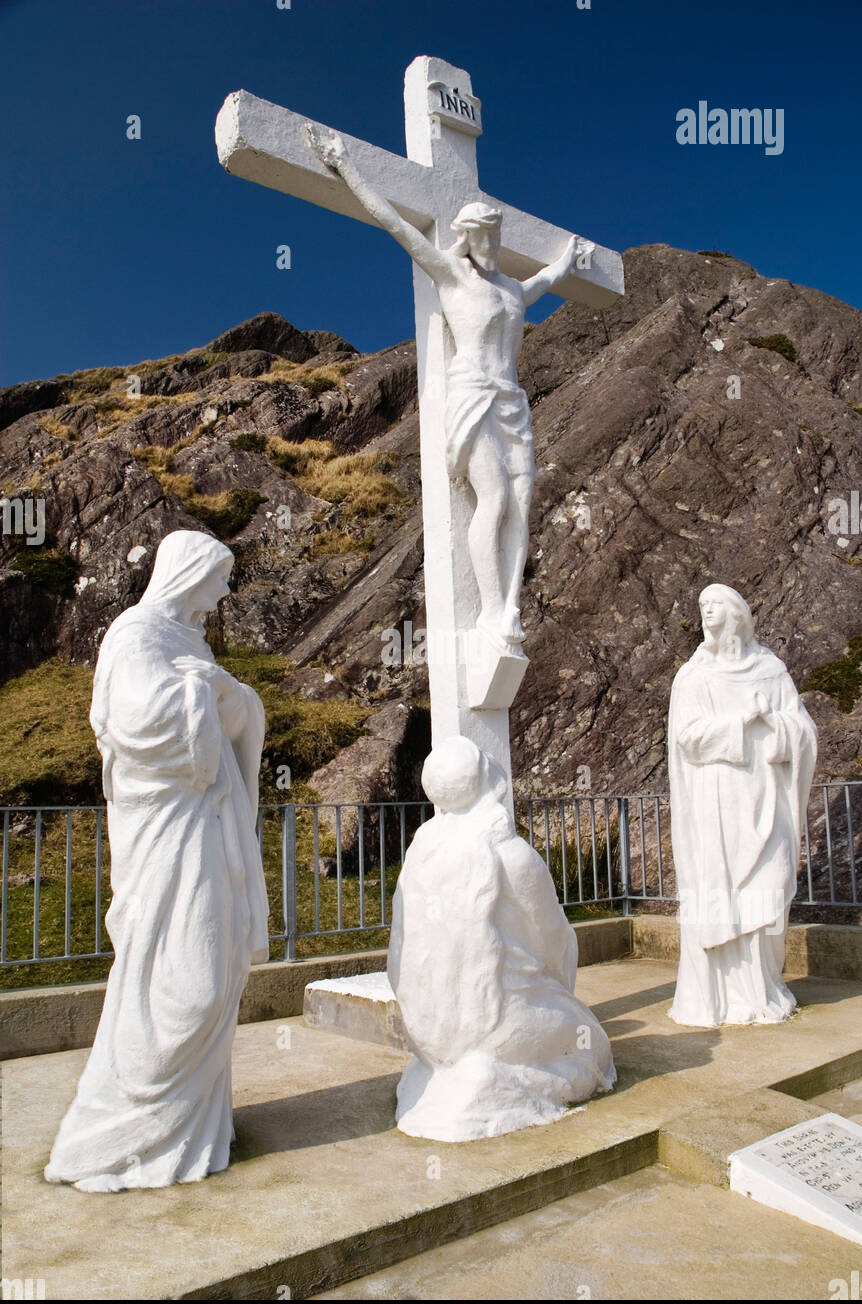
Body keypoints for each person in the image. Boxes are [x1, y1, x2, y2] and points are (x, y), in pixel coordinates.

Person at [45, 531, 269, 1191]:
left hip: (208, 824)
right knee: (184, 982)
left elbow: (237, 716)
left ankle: (192, 1132)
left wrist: (232, 700)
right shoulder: (135, 633)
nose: (227, 592)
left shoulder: (191, 643)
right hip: (166, 828)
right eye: (221, 577)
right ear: (188, 572)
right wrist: (202, 695)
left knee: (218, 961)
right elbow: (135, 722)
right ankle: (112, 1131)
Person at [306, 125, 587, 650]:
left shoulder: (511, 291)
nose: (489, 246)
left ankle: (509, 609)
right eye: (479, 237)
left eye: (493, 237)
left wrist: (569, 263)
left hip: (511, 399)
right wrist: (347, 167)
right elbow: (393, 223)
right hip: (473, 395)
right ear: (465, 238)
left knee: (522, 502)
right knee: (496, 496)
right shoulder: (453, 277)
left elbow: (546, 281)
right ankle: (490, 611)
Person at [387, 735, 616, 1140]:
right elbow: (553, 942)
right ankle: (490, 1074)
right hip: (499, 1019)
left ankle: (451, 1070)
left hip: (428, 1031)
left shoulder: (421, 853)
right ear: (488, 781)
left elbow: (400, 953)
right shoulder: (513, 856)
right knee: (592, 1043)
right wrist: (554, 986)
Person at [668, 584, 817, 1027]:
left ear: (737, 614)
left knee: (770, 886)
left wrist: (772, 722)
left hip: (768, 794)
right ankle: (723, 995)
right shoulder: (694, 677)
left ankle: (764, 986)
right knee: (722, 895)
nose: (706, 610)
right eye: (701, 605)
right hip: (717, 804)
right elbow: (688, 739)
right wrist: (741, 721)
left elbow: (804, 732)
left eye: (715, 604)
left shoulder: (771, 671)